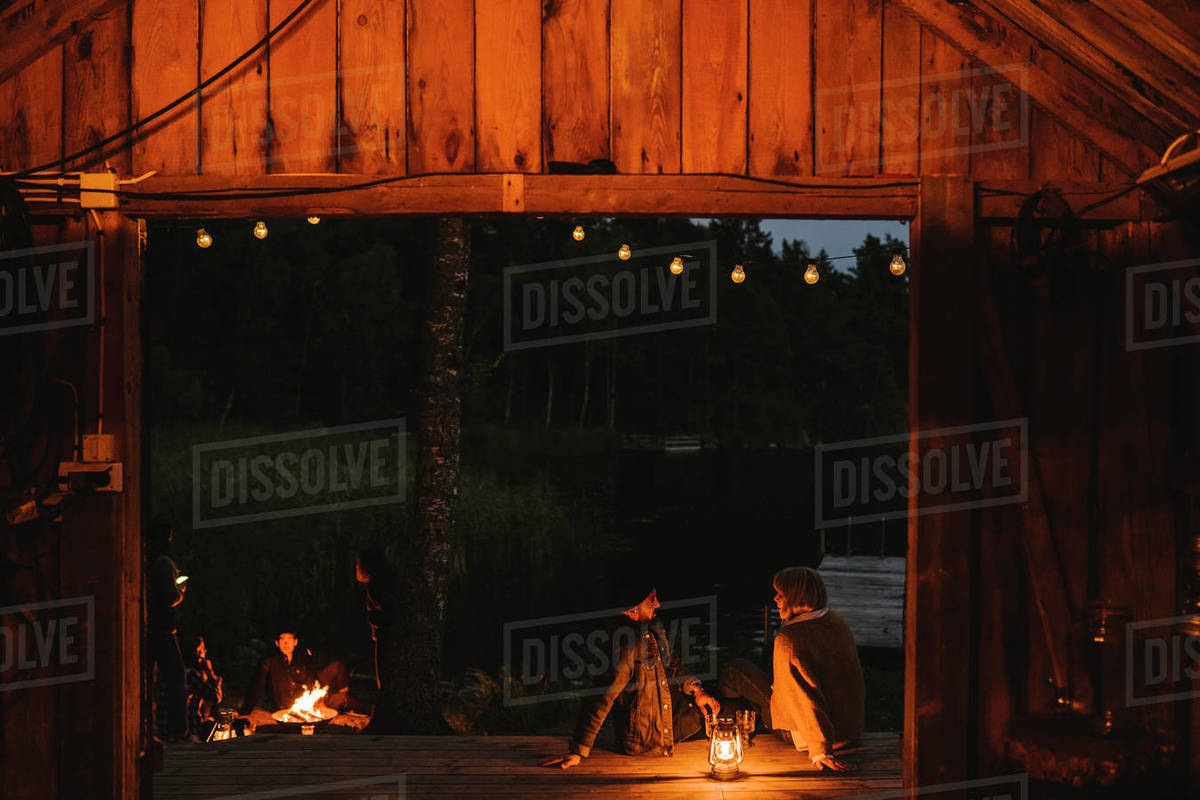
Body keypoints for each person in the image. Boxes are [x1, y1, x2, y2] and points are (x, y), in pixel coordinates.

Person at [539, 579, 721, 769]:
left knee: (734, 713)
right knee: (732, 718)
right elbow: (600, 699)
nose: (658, 604)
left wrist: (697, 691)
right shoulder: (625, 647)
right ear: (632, 611)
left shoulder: (651, 631)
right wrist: (578, 751)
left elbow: (672, 664)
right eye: (651, 599)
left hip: (673, 720)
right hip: (649, 740)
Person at [719, 566, 864, 771]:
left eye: (781, 594)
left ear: (796, 597)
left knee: (735, 671)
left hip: (805, 735)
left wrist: (820, 750)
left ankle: (727, 724)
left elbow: (804, 695)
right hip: (848, 729)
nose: (775, 599)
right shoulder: (835, 621)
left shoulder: (790, 640)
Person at [238, 629, 367, 716]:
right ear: (277, 643)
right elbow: (257, 686)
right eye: (283, 640)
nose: (286, 643)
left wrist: (321, 695)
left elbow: (313, 677)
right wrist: (245, 710)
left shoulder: (302, 657)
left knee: (338, 671)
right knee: (336, 699)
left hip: (311, 701)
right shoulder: (269, 662)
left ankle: (373, 711)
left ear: (295, 642)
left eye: (289, 640)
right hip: (288, 705)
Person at [147, 519, 190, 742]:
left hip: (150, 629)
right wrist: (180, 590)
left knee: (149, 679)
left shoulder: (147, 560)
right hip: (163, 630)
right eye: (169, 536)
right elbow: (169, 597)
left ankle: (151, 725)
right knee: (175, 678)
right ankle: (177, 729)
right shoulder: (164, 563)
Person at [356, 545, 403, 733]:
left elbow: (390, 610)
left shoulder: (376, 585)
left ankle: (385, 722)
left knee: (385, 678)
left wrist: (374, 619)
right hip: (391, 636)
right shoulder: (392, 580)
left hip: (387, 637)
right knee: (389, 679)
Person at [183, 636, 223, 740]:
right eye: (202, 651)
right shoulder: (191, 675)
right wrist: (210, 673)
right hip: (189, 733)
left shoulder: (179, 671)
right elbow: (216, 697)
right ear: (198, 655)